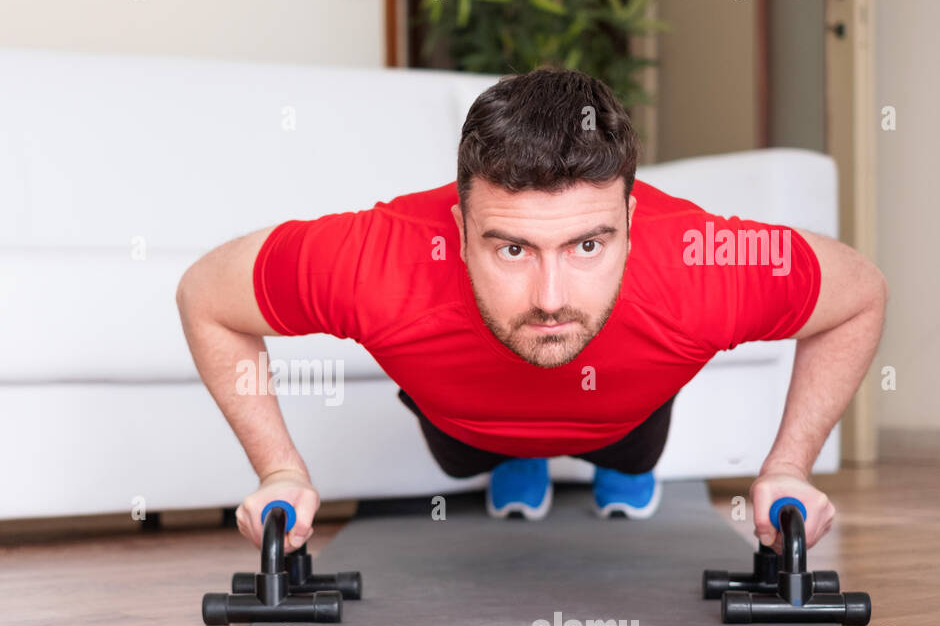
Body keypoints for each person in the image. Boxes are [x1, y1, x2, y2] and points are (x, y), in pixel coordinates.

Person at [177, 68, 886, 555]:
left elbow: (858, 295)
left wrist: (790, 465)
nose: (551, 297)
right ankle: (520, 456)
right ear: (457, 229)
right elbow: (206, 297)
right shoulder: (381, 257)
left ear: (632, 222)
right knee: (466, 456)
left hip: (625, 422)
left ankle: (604, 465)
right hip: (465, 431)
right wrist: (280, 472)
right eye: (512, 249)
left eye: (587, 244)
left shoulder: (698, 259)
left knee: (635, 450)